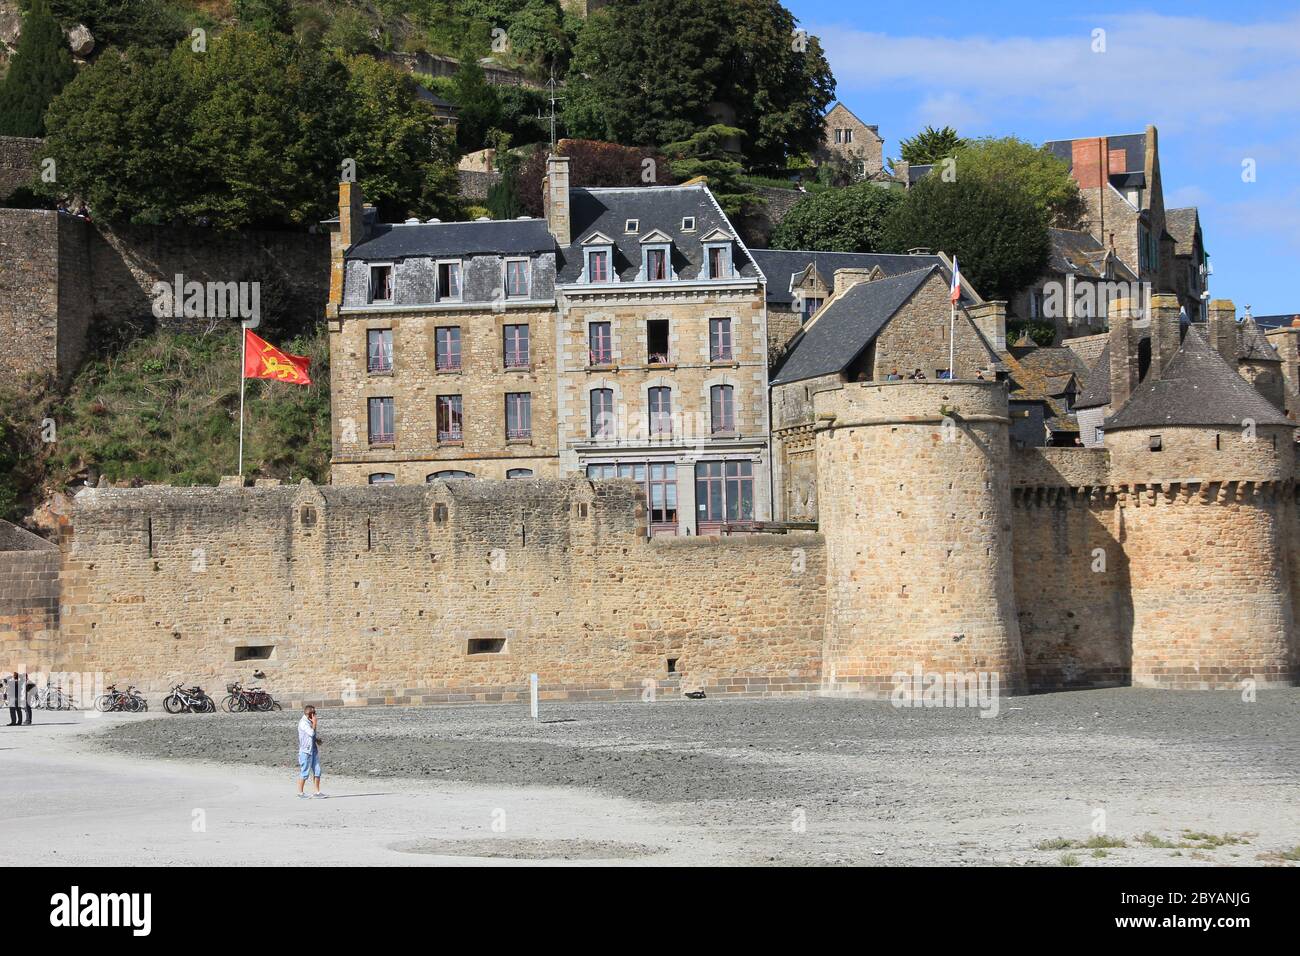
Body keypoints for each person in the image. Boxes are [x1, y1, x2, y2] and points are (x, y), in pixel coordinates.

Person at [296, 705, 325, 798]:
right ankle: (300, 793)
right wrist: (315, 723)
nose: (315, 715)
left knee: (317, 771)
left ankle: (317, 792)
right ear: (310, 714)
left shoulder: (309, 721)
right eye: (314, 713)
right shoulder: (303, 723)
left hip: (313, 749)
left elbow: (311, 735)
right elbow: (311, 732)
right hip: (305, 751)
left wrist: (316, 740)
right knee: (305, 772)